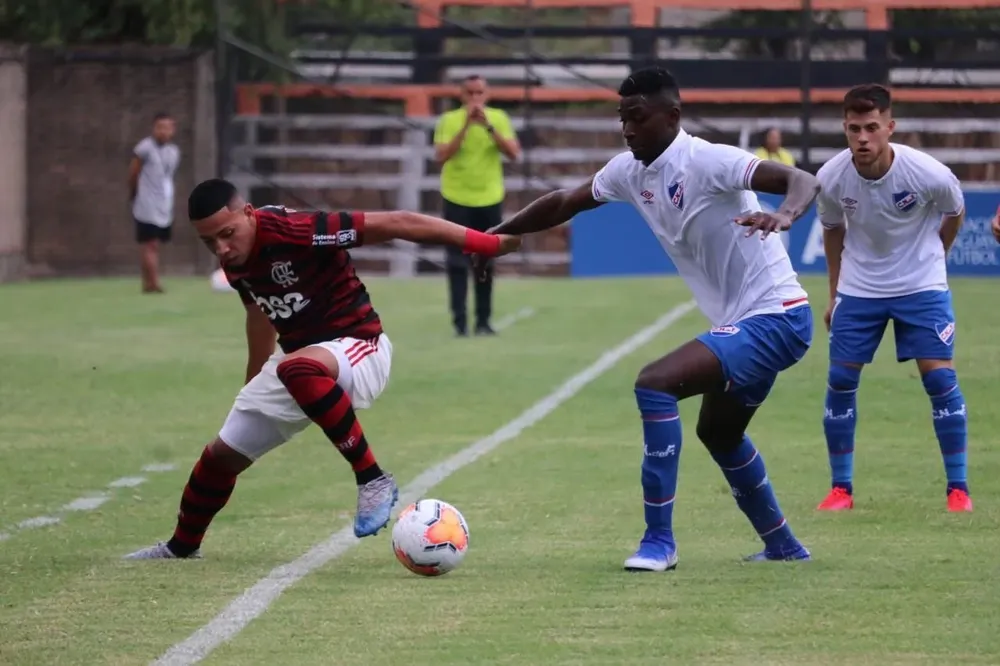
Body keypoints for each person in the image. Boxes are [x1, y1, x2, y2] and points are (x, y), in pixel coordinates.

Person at [476, 67, 821, 571]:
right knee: (720, 434)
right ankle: (785, 547)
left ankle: (659, 543)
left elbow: (802, 179)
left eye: (637, 117)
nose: (627, 129)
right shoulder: (628, 171)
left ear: (671, 116)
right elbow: (565, 202)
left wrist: (787, 214)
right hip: (752, 324)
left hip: (778, 318)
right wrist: (494, 238)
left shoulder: (708, 160)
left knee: (655, 384)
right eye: (622, 118)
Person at [124, 179, 520, 559]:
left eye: (227, 233)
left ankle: (372, 480)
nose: (221, 248)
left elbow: (399, 222)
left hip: (359, 346)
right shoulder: (236, 262)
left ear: (248, 213)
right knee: (221, 457)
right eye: (209, 241)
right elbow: (259, 316)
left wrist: (485, 243)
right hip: (300, 361)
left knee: (296, 369)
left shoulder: (295, 230)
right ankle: (180, 547)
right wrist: (252, 383)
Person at [814, 84, 972, 513]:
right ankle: (840, 490)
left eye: (871, 128)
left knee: (939, 381)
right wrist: (834, 295)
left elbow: (954, 212)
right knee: (841, 382)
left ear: (889, 127)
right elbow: (832, 231)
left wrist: (936, 257)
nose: (862, 138)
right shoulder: (831, 178)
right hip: (860, 289)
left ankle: (958, 490)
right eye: (853, 129)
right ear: (844, 129)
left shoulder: (928, 174)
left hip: (921, 285)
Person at [433, 74, 521, 337]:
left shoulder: (499, 118)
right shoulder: (449, 120)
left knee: (486, 260)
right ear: (461, 95)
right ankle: (459, 323)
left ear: (487, 94)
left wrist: (489, 128)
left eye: (479, 93)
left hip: (489, 198)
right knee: (456, 263)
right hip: (456, 197)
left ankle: (484, 321)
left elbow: (514, 153)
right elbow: (441, 156)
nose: (474, 99)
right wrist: (465, 127)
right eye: (469, 93)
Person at [128, 112, 180, 294]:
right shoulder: (144, 148)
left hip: (164, 204)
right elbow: (133, 173)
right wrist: (134, 194)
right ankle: (154, 282)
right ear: (154, 128)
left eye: (167, 128)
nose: (163, 132)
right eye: (160, 127)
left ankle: (147, 283)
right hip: (146, 204)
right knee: (150, 244)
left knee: (153, 244)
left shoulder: (174, 152)